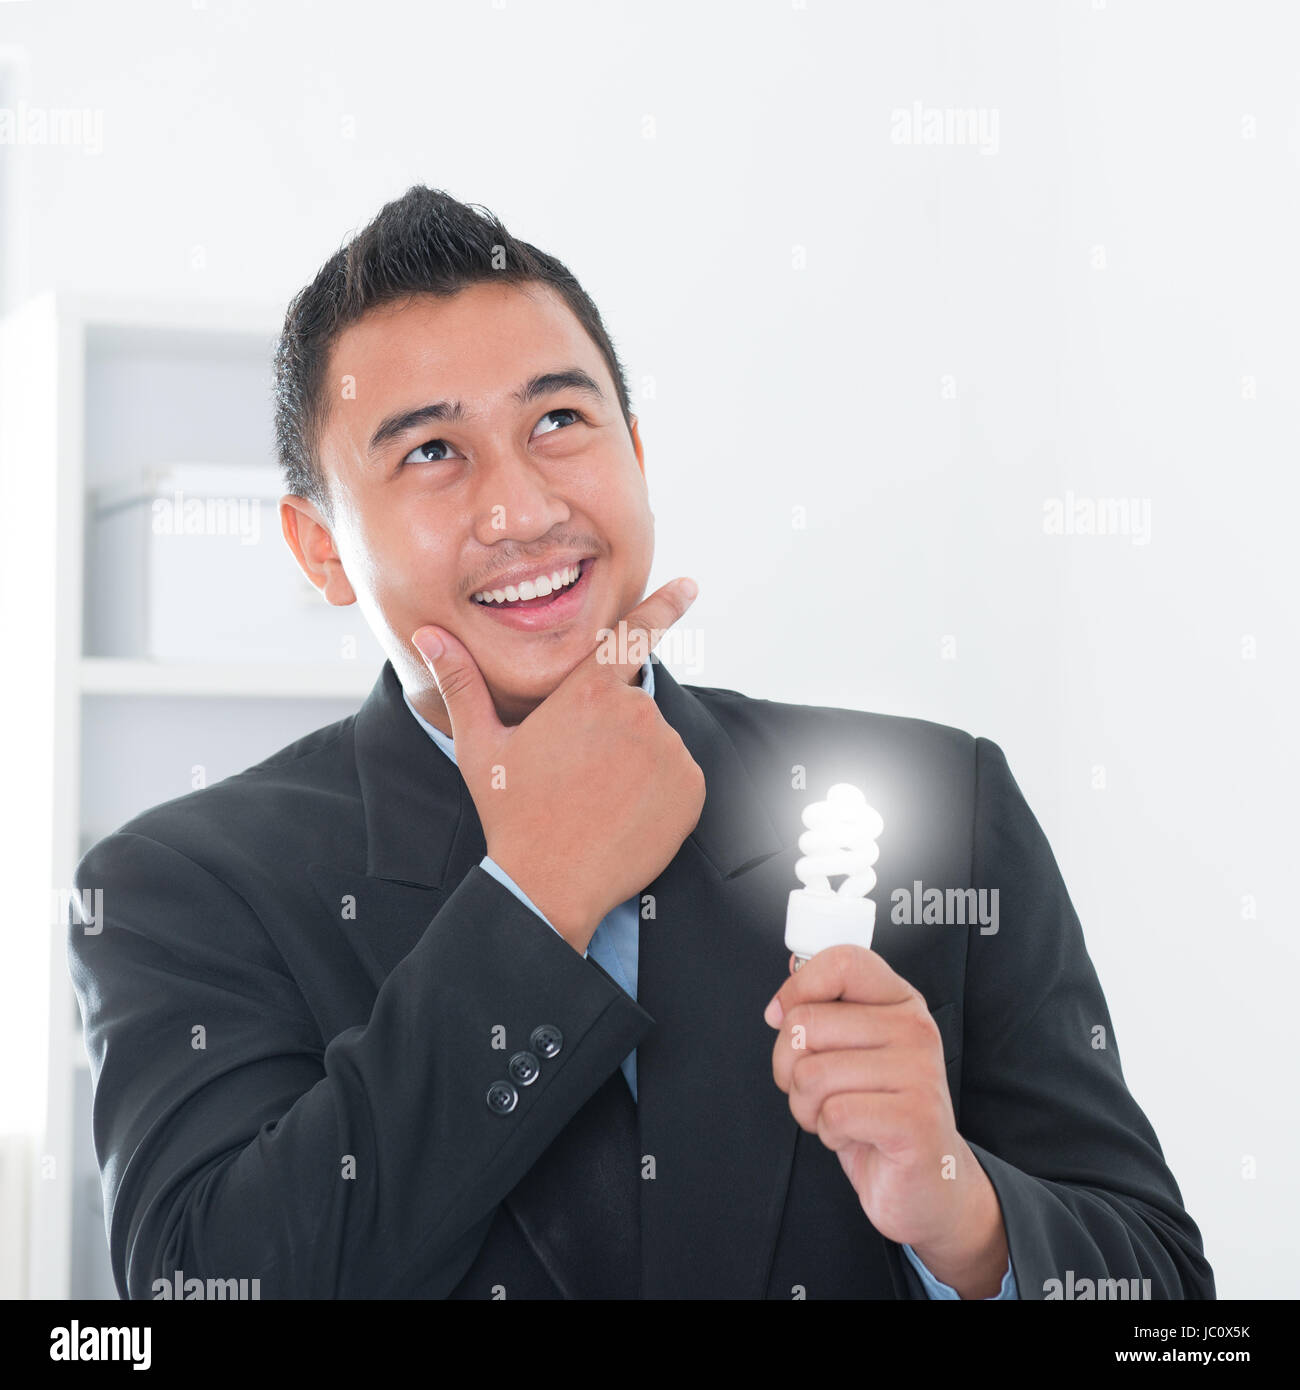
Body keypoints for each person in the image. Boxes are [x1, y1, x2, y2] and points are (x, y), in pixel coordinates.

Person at [69, 186, 1214, 1301]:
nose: (520, 508)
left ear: (638, 455)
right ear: (319, 547)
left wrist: (965, 1216)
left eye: (558, 421)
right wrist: (536, 892)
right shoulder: (183, 885)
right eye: (429, 452)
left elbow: (1164, 1295)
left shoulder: (938, 802)